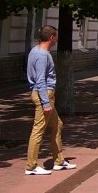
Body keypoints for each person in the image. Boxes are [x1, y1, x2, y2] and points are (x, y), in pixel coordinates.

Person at [25, 25, 75, 175]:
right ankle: (31, 166)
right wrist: (46, 102)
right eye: (56, 37)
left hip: (42, 93)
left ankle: (59, 161)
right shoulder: (42, 55)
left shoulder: (36, 51)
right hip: (44, 94)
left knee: (58, 125)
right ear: (52, 37)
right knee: (38, 130)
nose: (57, 39)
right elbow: (40, 80)